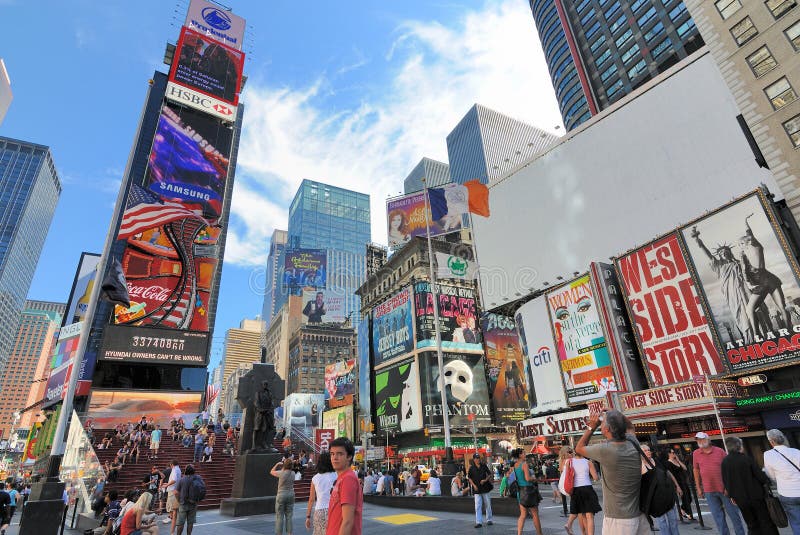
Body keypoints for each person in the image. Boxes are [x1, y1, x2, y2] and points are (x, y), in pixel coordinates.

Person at [576, 410, 648, 535]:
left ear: (607, 429)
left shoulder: (606, 450)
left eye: (603, 422)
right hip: (639, 513)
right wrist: (615, 413)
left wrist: (591, 427)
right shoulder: (633, 442)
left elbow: (579, 448)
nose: (601, 423)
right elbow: (630, 426)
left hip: (618, 519)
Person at [721, 436, 778, 535]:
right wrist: (766, 479)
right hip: (756, 496)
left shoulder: (724, 462)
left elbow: (726, 481)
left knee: (751, 524)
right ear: (739, 446)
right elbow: (761, 477)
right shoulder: (746, 459)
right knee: (765, 521)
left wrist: (731, 495)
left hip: (740, 499)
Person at [692, 432, 746, 535]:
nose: (700, 441)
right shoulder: (696, 453)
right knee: (718, 518)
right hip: (708, 490)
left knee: (734, 515)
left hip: (724, 489)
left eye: (702, 439)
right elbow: (696, 469)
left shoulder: (720, 451)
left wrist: (728, 486)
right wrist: (698, 487)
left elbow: (729, 468)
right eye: (698, 440)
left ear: (708, 439)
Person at [764, 428, 800, 534]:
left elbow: (771, 475)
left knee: (796, 522)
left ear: (771, 442)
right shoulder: (796, 452)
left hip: (787, 493)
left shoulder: (768, 455)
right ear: (783, 439)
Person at [641, 444, 680, 535]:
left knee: (673, 520)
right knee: (662, 522)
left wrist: (677, 486)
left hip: (667, 495)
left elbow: (668, 473)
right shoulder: (640, 465)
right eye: (645, 451)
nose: (648, 452)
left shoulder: (657, 461)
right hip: (655, 499)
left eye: (648, 450)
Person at [326, 437, 363, 535]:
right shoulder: (342, 478)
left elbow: (347, 521)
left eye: (340, 454)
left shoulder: (348, 479)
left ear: (349, 456)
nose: (335, 458)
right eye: (332, 454)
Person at [568, 449, 601, 535]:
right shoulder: (588, 462)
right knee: (590, 516)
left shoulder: (570, 462)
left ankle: (584, 533)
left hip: (575, 490)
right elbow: (595, 477)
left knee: (583, 515)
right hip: (587, 489)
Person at [511, 448, 543, 535]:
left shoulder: (515, 465)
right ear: (520, 455)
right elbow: (527, 478)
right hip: (528, 491)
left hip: (520, 491)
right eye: (524, 453)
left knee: (523, 514)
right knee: (535, 514)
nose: (525, 454)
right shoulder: (524, 464)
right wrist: (534, 478)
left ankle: (519, 533)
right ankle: (539, 533)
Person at [306, 452, 337, 535]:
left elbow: (311, 499)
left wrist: (308, 517)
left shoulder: (315, 478)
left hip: (319, 511)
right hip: (334, 510)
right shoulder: (337, 475)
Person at [666, 447, 694, 522]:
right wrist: (676, 486)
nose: (674, 454)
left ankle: (682, 510)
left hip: (684, 482)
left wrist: (678, 460)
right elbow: (671, 475)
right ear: (669, 454)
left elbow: (685, 468)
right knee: (685, 499)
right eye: (673, 453)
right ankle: (689, 515)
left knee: (689, 498)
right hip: (678, 483)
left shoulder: (677, 461)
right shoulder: (668, 463)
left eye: (674, 452)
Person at [174, 464, 203, 535]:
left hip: (183, 503)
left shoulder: (182, 479)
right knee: (190, 522)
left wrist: (178, 500)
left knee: (181, 522)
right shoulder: (198, 478)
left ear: (186, 471)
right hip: (193, 503)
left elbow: (175, 492)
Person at [467, 453, 494, 528]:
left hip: (485, 488)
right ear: (474, 459)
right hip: (477, 489)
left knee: (488, 504)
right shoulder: (471, 468)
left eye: (479, 458)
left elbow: (489, 474)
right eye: (476, 458)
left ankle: (489, 519)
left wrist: (485, 480)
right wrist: (474, 485)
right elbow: (469, 478)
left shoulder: (484, 466)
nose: (478, 459)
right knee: (478, 506)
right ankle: (478, 522)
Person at [271, 459, 296, 535]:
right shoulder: (293, 473)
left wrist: (277, 464)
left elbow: (271, 471)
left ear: (284, 465)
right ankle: (289, 533)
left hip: (281, 494)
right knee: (289, 516)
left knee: (280, 516)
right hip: (291, 494)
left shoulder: (281, 473)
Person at [161, 460, 182, 533]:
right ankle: (172, 519)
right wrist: (168, 484)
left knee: (172, 508)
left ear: (172, 464)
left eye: (170, 465)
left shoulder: (174, 470)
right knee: (174, 508)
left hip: (172, 491)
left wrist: (167, 485)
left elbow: (174, 480)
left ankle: (171, 519)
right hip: (175, 490)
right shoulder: (178, 469)